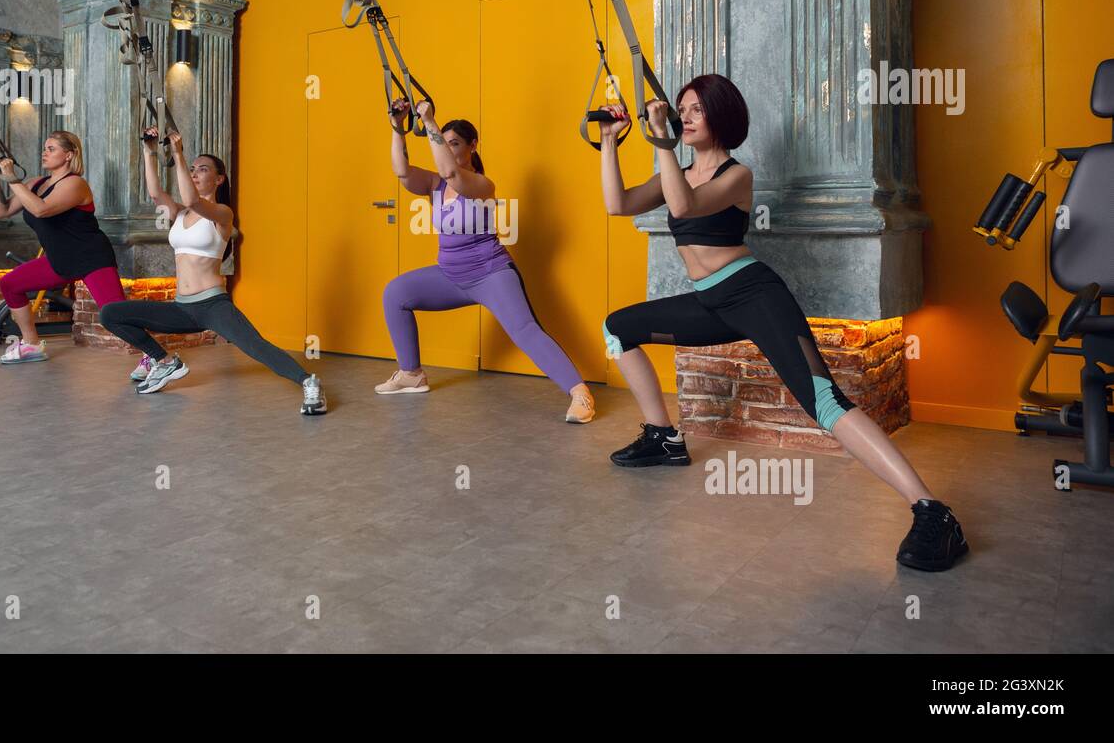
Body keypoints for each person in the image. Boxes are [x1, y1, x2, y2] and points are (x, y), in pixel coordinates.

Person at [598, 75, 968, 572]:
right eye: (680, 109)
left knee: (823, 401)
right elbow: (617, 204)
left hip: (753, 295)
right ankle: (663, 439)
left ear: (721, 117)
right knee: (617, 328)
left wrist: (661, 139)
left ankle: (933, 512)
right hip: (710, 303)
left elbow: (684, 204)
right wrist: (607, 143)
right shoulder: (679, 171)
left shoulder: (736, 176)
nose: (683, 117)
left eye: (695, 110)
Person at [379, 98, 595, 424]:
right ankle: (411, 374)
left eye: (455, 143)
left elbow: (451, 171)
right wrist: (399, 128)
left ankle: (580, 393)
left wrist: (431, 123)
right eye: (445, 143)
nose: (449, 149)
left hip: (490, 273)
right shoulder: (434, 185)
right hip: (450, 275)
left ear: (472, 146)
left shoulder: (481, 184)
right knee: (395, 294)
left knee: (525, 330)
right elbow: (401, 171)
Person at [99, 128, 326, 414]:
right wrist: (149, 150)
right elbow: (156, 193)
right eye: (192, 169)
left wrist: (179, 154)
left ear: (219, 179)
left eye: (202, 169)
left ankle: (309, 383)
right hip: (181, 308)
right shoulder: (179, 213)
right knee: (110, 314)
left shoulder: (222, 213)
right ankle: (165, 362)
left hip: (212, 305)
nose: (194, 173)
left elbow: (195, 200)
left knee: (254, 346)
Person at [0, 130, 123, 365]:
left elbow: (41, 209)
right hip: (59, 261)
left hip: (90, 258)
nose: (45, 152)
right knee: (10, 284)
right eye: (44, 148)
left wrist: (12, 180)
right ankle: (31, 344)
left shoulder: (75, 184)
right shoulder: (34, 184)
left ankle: (156, 359)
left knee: (116, 315)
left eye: (52, 149)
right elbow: (1, 211)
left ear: (69, 155)